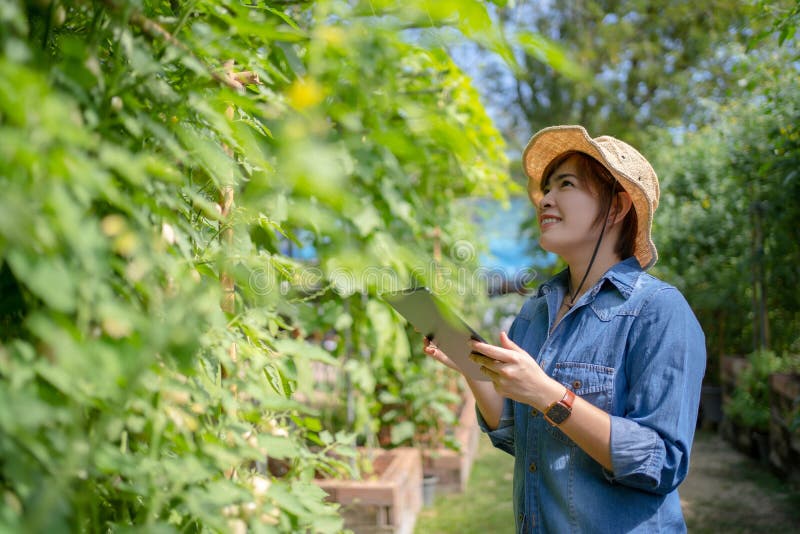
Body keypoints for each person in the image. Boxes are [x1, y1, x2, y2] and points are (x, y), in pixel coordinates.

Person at [424, 125, 706, 533]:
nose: (545, 199)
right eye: (545, 189)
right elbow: (519, 438)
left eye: (565, 185)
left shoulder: (659, 311)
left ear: (616, 207)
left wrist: (548, 394)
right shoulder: (536, 311)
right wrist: (474, 370)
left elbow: (662, 462)